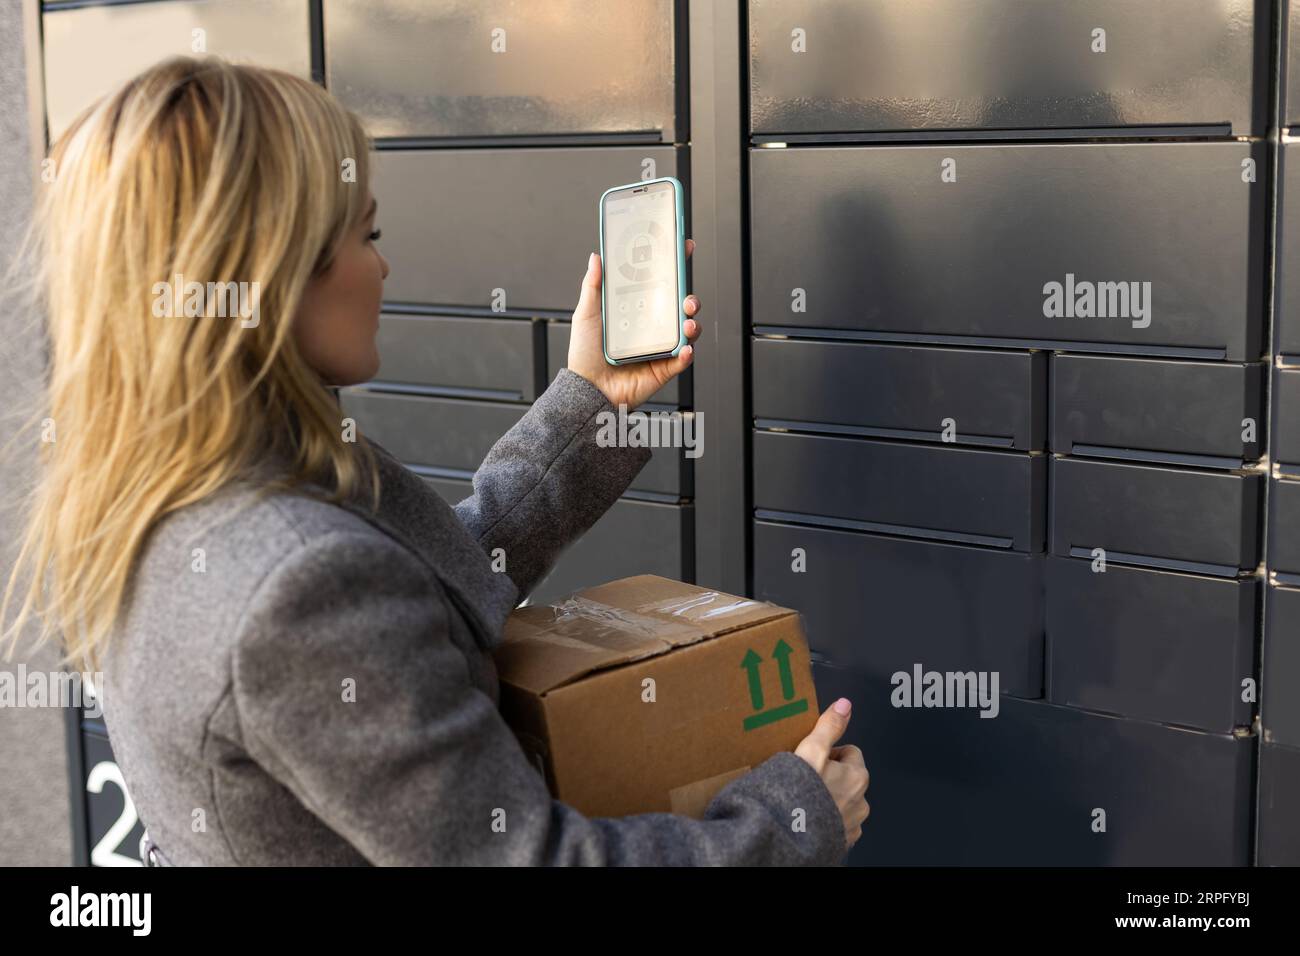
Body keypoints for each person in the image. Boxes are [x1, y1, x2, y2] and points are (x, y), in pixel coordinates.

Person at [1, 56, 869, 865]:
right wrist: (787, 819)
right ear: (268, 273)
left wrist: (593, 403)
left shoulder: (162, 490)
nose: (383, 267)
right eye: (364, 234)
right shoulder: (291, 588)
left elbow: (428, 580)